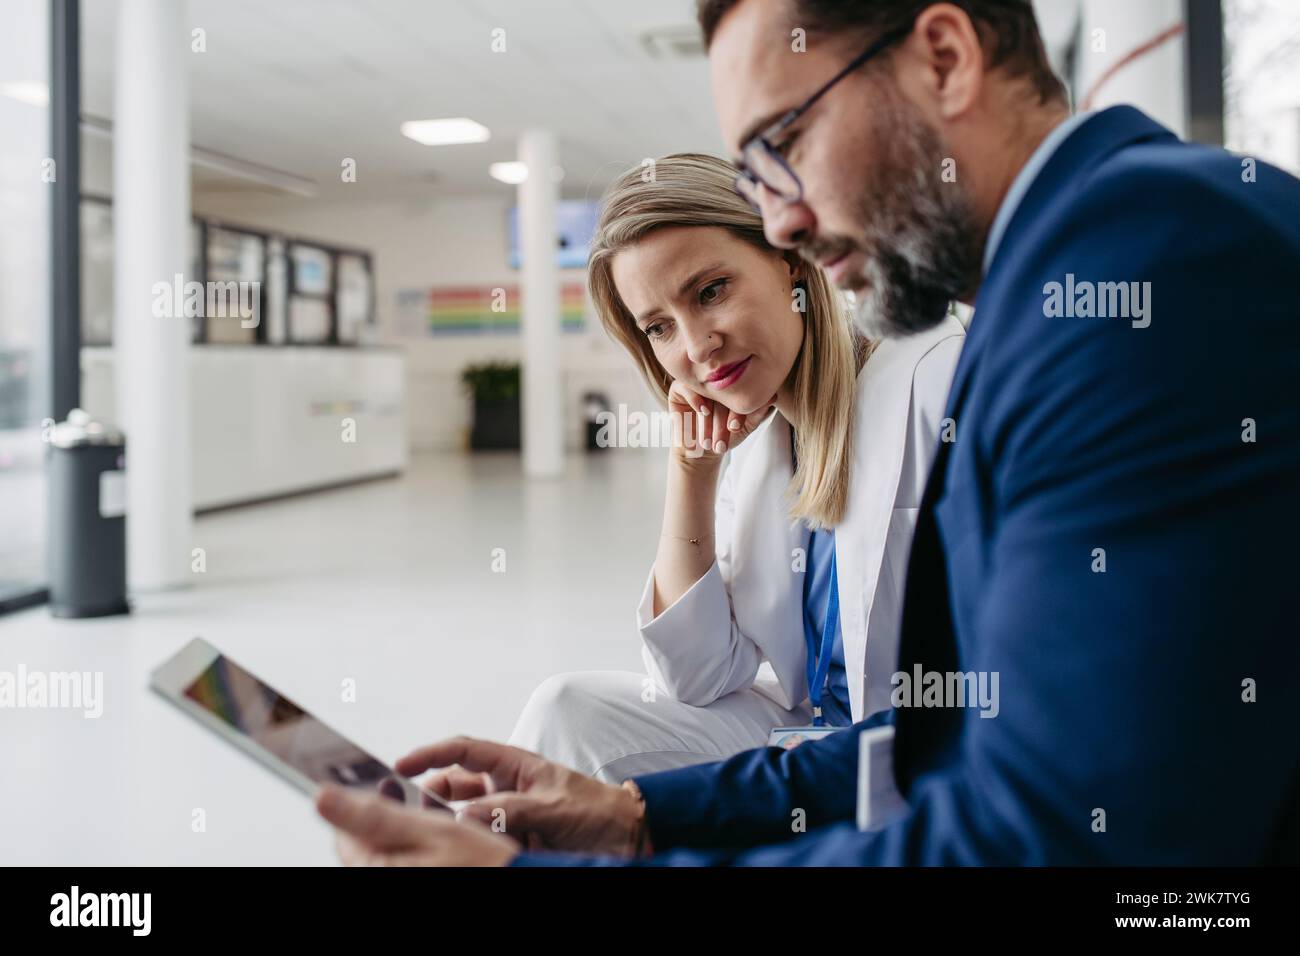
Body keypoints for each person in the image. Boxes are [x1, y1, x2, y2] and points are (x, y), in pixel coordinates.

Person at [316, 0, 1300, 865]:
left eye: (784, 139)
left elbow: (1052, 832)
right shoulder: (1068, 273)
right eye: (754, 171)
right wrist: (632, 816)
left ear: (945, 57)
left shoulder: (1143, 277)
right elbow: (936, 733)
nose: (780, 220)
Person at [507, 153, 963, 783]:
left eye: (710, 291)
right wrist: (691, 472)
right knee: (566, 714)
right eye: (660, 327)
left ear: (791, 263)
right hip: (818, 739)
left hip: (931, 756)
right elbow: (698, 675)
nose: (696, 348)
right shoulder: (760, 436)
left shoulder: (936, 383)